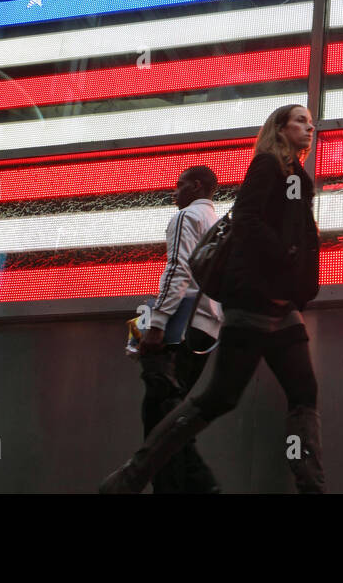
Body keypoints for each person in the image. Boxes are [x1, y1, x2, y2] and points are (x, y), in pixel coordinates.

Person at [101, 105, 324, 493]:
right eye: (300, 121)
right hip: (253, 302)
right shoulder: (266, 167)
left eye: (310, 121)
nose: (310, 126)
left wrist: (302, 281)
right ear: (280, 129)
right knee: (219, 398)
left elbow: (302, 233)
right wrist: (285, 260)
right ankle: (132, 476)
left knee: (304, 393)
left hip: (281, 305)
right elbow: (249, 221)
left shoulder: (297, 178)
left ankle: (312, 485)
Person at [135, 165, 223, 493]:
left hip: (180, 327)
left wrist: (157, 324)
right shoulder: (218, 224)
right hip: (207, 327)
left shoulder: (187, 217)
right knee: (174, 414)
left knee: (159, 420)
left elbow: (177, 268)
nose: (175, 192)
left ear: (196, 186)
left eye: (180, 185)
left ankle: (198, 486)